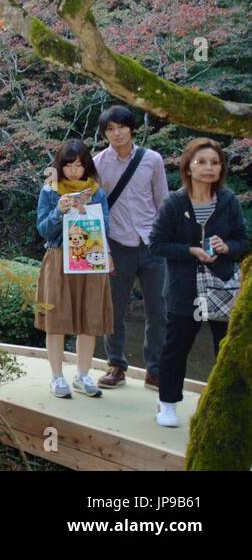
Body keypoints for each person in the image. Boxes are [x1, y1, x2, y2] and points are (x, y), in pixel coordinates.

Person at [150, 138, 248, 428]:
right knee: (176, 346)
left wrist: (226, 246)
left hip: (221, 287)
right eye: (201, 162)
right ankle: (167, 404)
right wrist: (189, 250)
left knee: (226, 348)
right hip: (185, 288)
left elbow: (244, 240)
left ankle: (224, 407)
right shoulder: (174, 202)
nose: (208, 168)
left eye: (214, 163)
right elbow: (156, 244)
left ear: (221, 169)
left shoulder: (228, 201)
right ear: (188, 167)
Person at [92, 105, 170, 389]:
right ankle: (116, 366)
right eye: (110, 129)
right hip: (116, 245)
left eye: (121, 127)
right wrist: (104, 251)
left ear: (131, 128)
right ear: (104, 134)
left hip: (152, 244)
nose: (116, 133)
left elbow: (163, 201)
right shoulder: (98, 163)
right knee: (114, 309)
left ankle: (156, 369)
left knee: (158, 310)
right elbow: (94, 209)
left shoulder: (152, 159)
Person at [35, 140, 114, 399]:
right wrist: (60, 210)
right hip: (58, 257)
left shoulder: (97, 192)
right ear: (60, 166)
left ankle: (83, 375)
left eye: (79, 165)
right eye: (68, 165)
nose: (73, 171)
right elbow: (43, 230)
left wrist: (107, 253)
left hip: (89, 259)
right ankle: (57, 377)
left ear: (87, 165)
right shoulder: (50, 190)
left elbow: (105, 228)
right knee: (56, 321)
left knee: (89, 320)